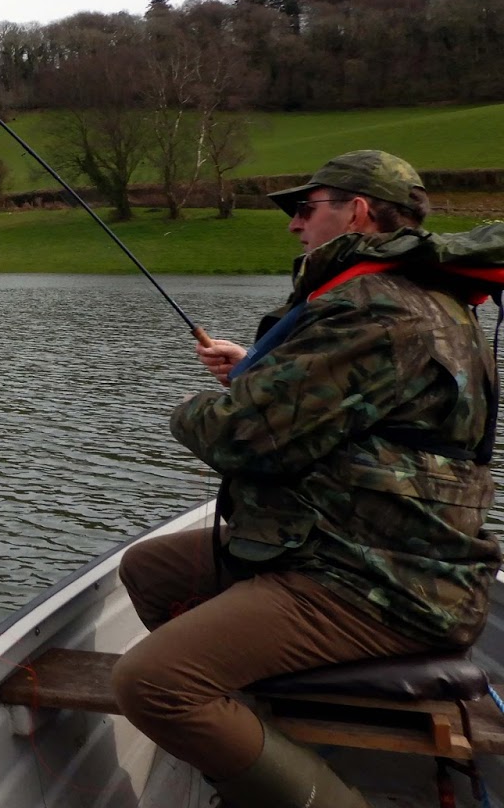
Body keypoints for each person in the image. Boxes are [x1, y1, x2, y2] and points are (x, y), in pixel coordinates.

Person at [111, 150, 500, 808]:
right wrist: (257, 372)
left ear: (358, 211)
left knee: (151, 683)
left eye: (305, 208)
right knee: (152, 571)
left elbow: (236, 436)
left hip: (384, 582)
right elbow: (348, 408)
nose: (295, 225)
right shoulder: (419, 298)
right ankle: (260, 746)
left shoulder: (377, 311)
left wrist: (196, 408)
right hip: (356, 547)